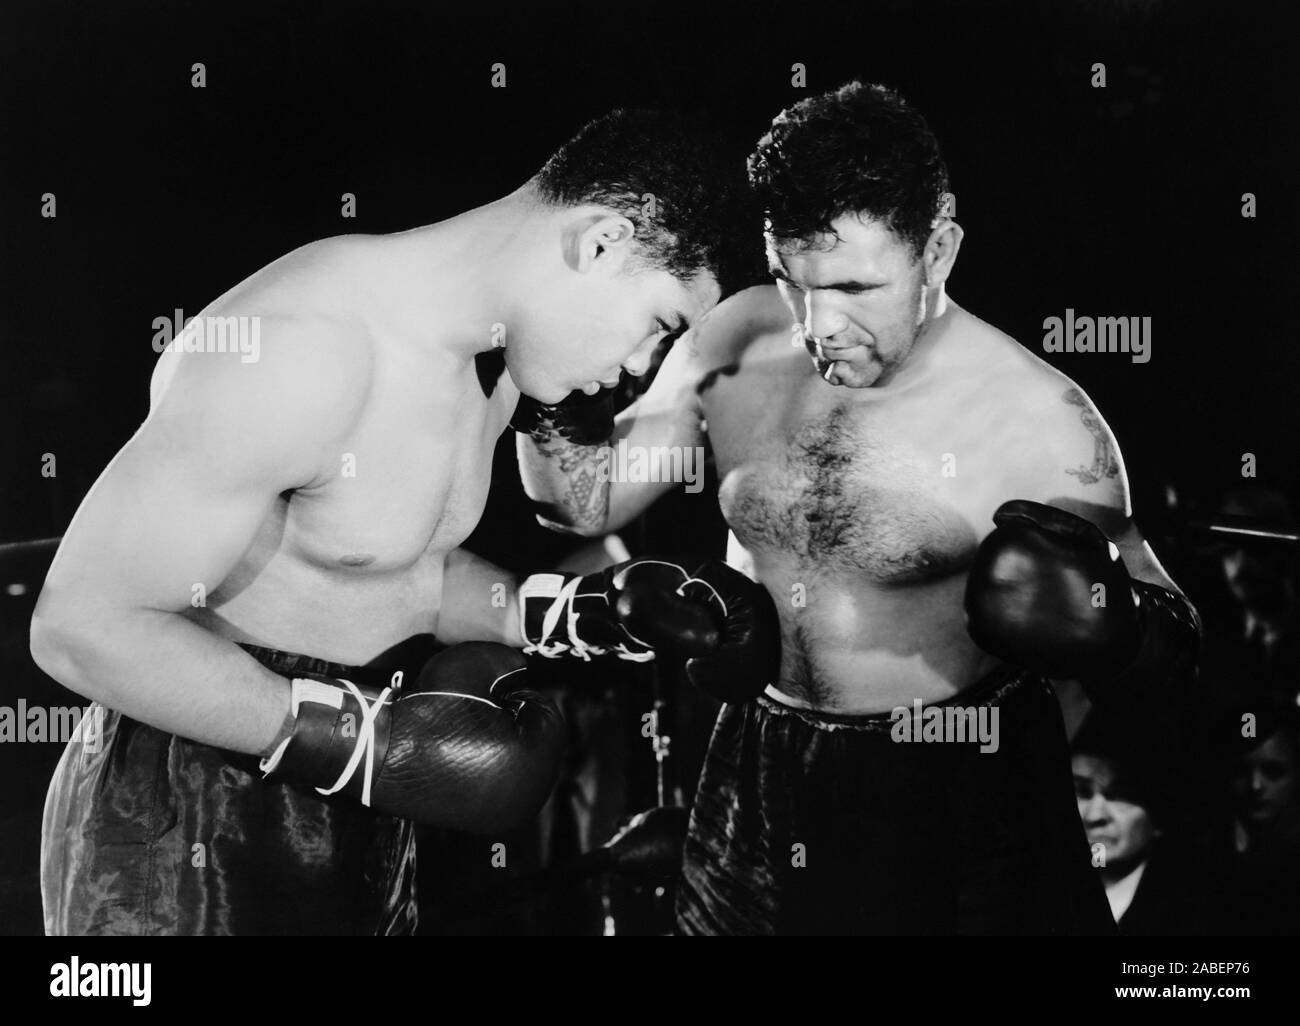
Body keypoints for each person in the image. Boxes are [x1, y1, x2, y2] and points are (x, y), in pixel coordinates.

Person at [31, 109, 773, 935]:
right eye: (659, 326)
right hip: (183, 825)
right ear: (599, 243)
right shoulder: (300, 345)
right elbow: (78, 625)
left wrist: (576, 613)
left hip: (359, 813)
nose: (642, 367)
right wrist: (359, 745)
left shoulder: (486, 375)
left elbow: (396, 572)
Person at [518, 81, 1200, 934]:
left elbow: (1181, 660)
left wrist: (1117, 623)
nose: (819, 324)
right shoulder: (732, 341)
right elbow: (582, 506)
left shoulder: (1038, 417)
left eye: (854, 284)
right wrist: (547, 385)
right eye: (791, 280)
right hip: (754, 773)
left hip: (955, 788)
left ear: (939, 248)